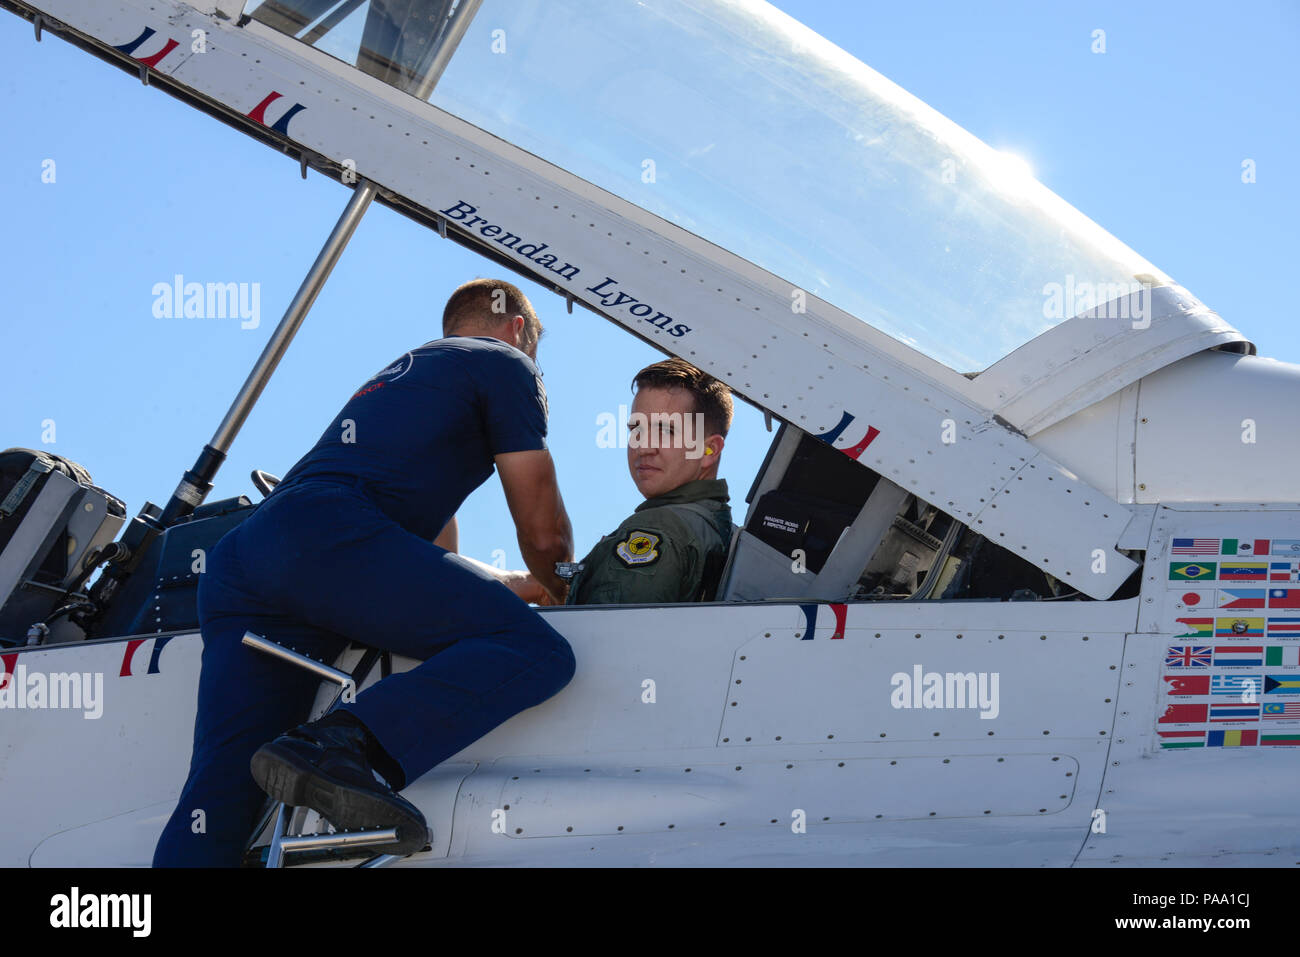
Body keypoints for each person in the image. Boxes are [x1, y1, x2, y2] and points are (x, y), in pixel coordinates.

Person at [153, 279, 575, 867]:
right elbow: (545, 534)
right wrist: (562, 587)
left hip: (249, 559)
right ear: (519, 330)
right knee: (537, 652)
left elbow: (429, 562)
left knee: (222, 788)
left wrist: (522, 586)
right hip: (328, 538)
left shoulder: (408, 384)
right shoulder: (505, 362)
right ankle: (343, 745)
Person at [510, 359, 734, 606]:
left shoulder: (658, 528)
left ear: (708, 450)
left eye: (666, 430)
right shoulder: (717, 529)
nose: (644, 447)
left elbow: (607, 637)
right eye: (636, 429)